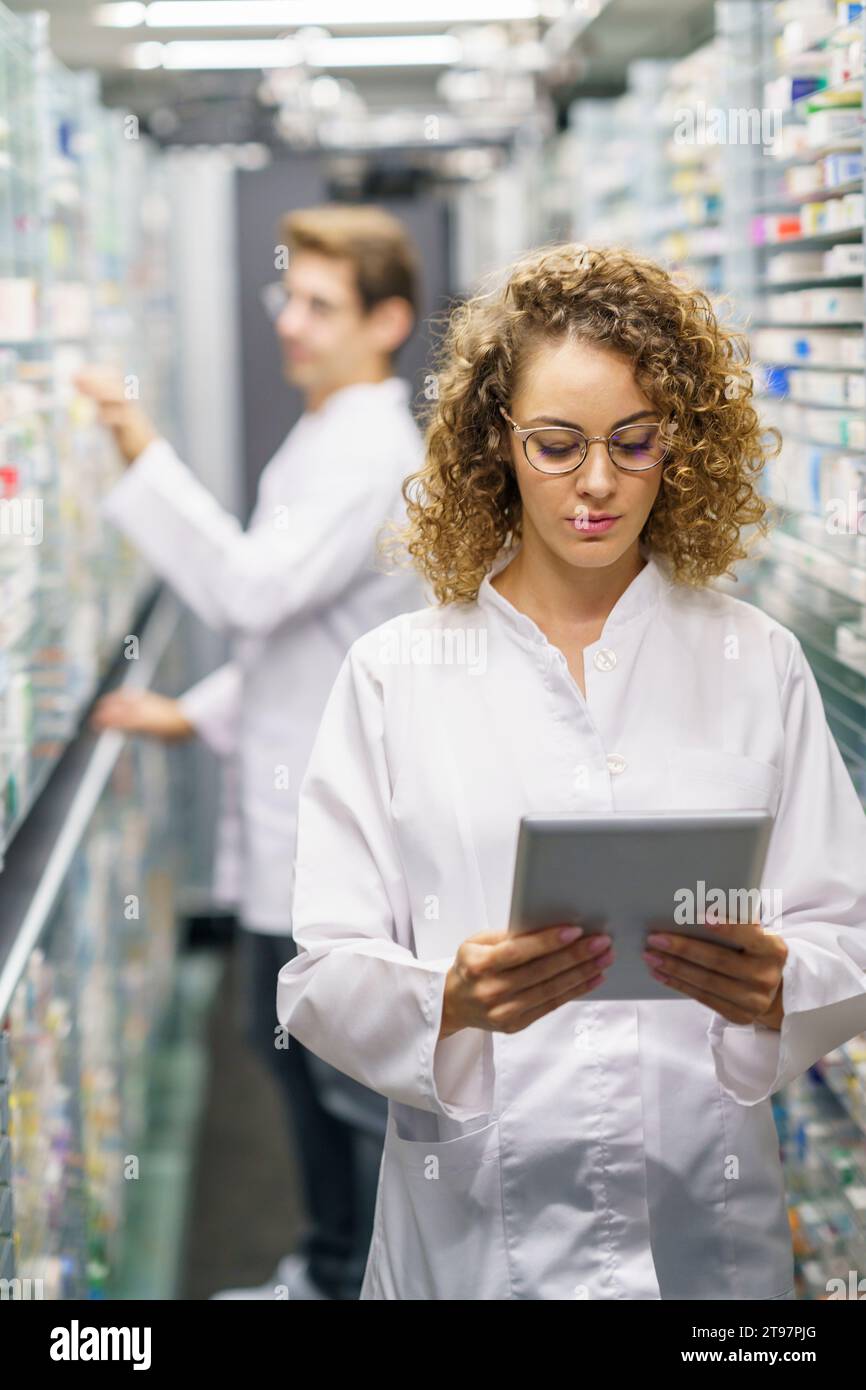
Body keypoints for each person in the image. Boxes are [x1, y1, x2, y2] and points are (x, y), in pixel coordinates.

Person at [275, 241, 866, 1300]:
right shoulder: (395, 675)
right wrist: (444, 1000)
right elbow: (319, 977)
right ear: (494, 445)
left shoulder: (753, 661)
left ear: (678, 446)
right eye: (555, 445)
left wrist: (784, 983)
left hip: (703, 1237)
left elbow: (846, 928)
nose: (596, 483)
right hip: (473, 1236)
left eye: (633, 443)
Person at [77, 204, 426, 1300]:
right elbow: (298, 637)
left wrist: (139, 448)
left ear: (386, 322)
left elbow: (246, 590)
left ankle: (361, 1282)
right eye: (289, 295)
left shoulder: (370, 452)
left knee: (336, 1083)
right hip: (292, 792)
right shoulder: (328, 431)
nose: (289, 320)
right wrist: (193, 713)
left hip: (332, 819)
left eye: (320, 304)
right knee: (279, 1044)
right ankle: (328, 1269)